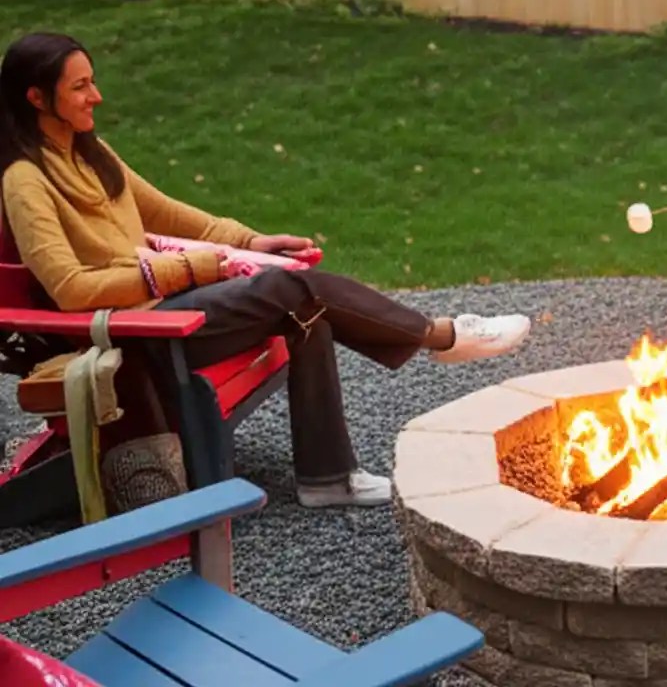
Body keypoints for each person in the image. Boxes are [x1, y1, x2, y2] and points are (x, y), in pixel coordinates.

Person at [0, 32, 533, 509]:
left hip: (164, 313)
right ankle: (440, 335)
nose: (96, 96)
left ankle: (328, 478)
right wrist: (190, 270)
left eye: (92, 82)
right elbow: (69, 290)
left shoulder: (91, 153)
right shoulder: (25, 181)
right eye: (80, 87)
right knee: (291, 289)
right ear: (37, 97)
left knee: (308, 309)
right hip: (135, 333)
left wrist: (249, 241)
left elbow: (168, 212)